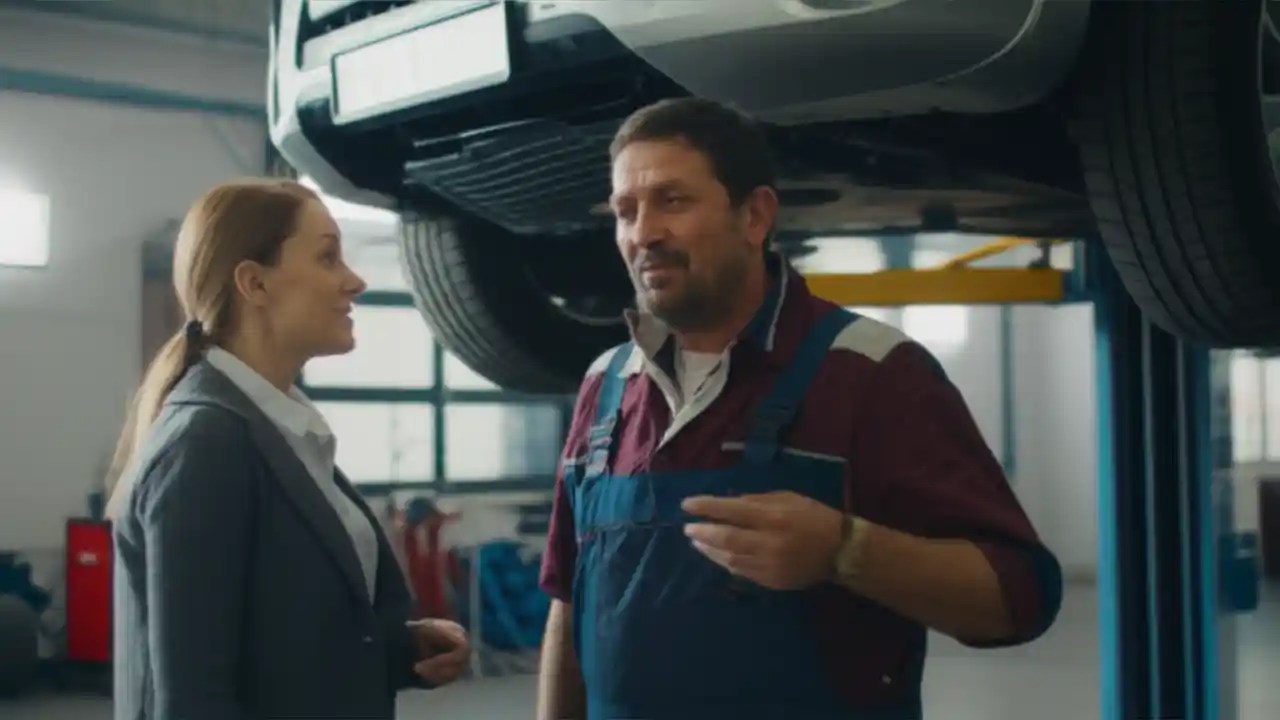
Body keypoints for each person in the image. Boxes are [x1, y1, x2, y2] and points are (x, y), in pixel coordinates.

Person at [535, 98, 1064, 720]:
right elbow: (568, 602)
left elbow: (1020, 597)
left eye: (672, 201)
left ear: (755, 215)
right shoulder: (605, 384)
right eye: (626, 211)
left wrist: (847, 551)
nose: (643, 234)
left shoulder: (869, 372)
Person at [105, 178, 470, 720]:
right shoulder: (206, 444)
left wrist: (398, 649)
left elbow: (277, 641)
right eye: (327, 258)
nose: (355, 281)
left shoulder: (281, 432)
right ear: (255, 283)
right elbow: (193, 697)